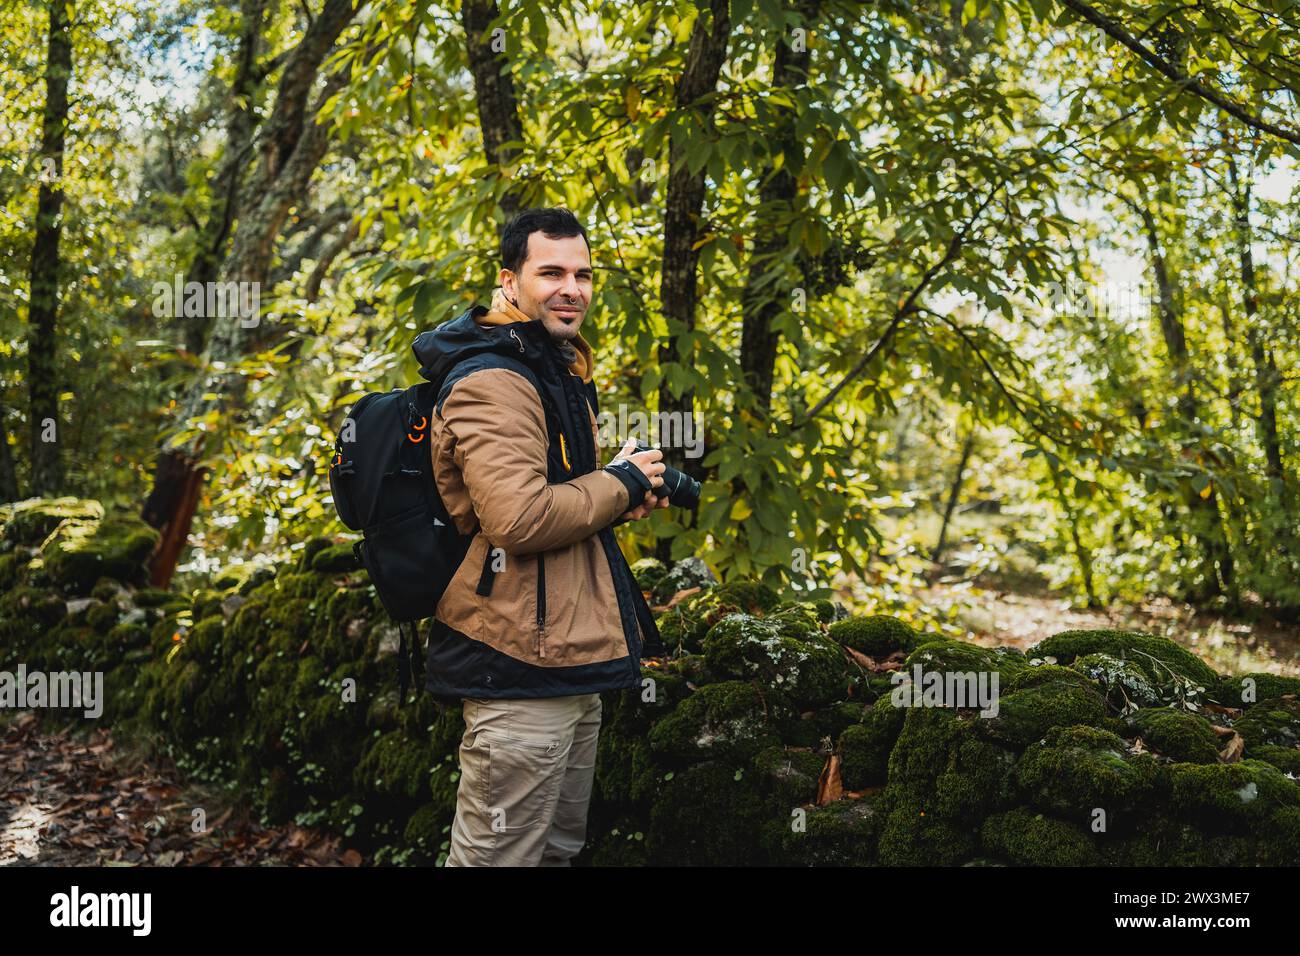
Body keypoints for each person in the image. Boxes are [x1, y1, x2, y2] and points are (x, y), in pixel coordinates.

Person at [416, 207, 670, 866]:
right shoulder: (492, 379)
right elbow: (517, 519)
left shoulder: (552, 366)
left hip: (567, 658)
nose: (572, 289)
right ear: (509, 281)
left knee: (555, 851)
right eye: (550, 272)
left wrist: (619, 494)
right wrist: (617, 482)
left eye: (583, 275)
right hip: (516, 662)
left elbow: (558, 498)